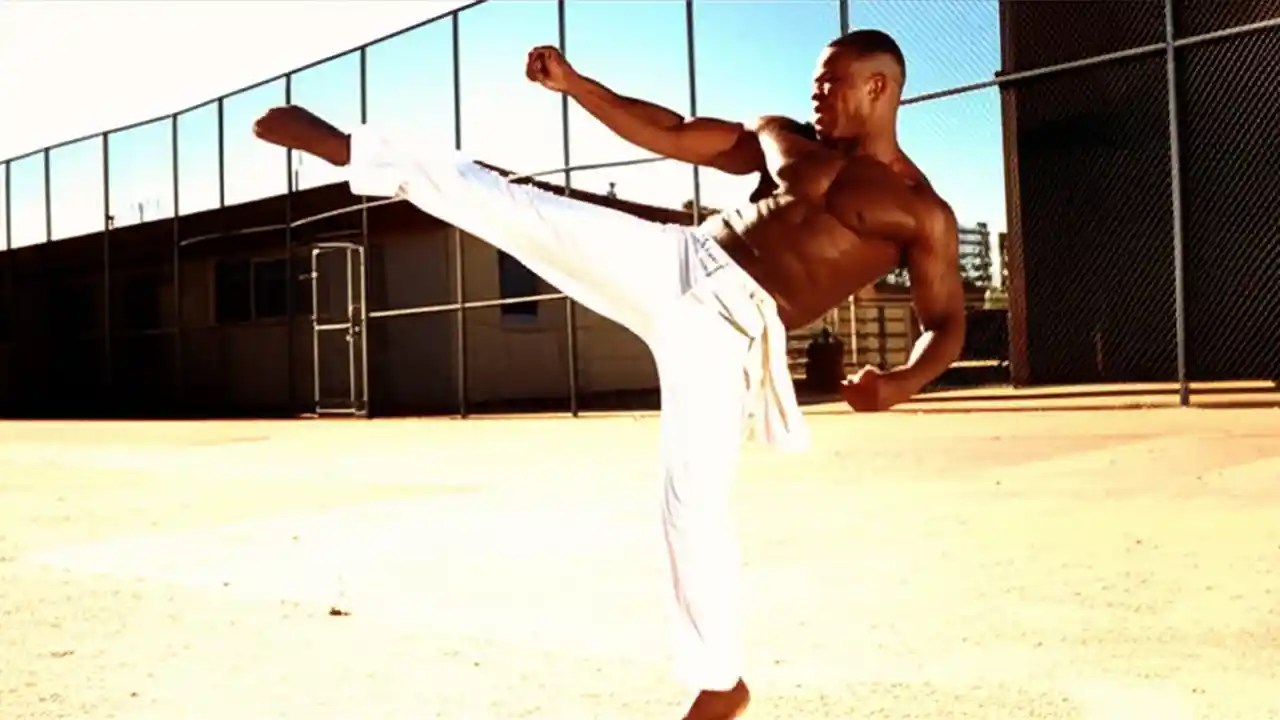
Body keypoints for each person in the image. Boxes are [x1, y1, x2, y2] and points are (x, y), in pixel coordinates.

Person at [252, 28, 966, 720]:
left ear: (878, 87)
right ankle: (354, 149)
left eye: (831, 80)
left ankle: (720, 683)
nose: (817, 91)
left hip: (729, 333)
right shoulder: (783, 138)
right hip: (678, 258)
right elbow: (673, 131)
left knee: (691, 504)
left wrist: (900, 382)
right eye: (815, 78)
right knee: (519, 207)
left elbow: (946, 323)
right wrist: (576, 85)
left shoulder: (922, 211)